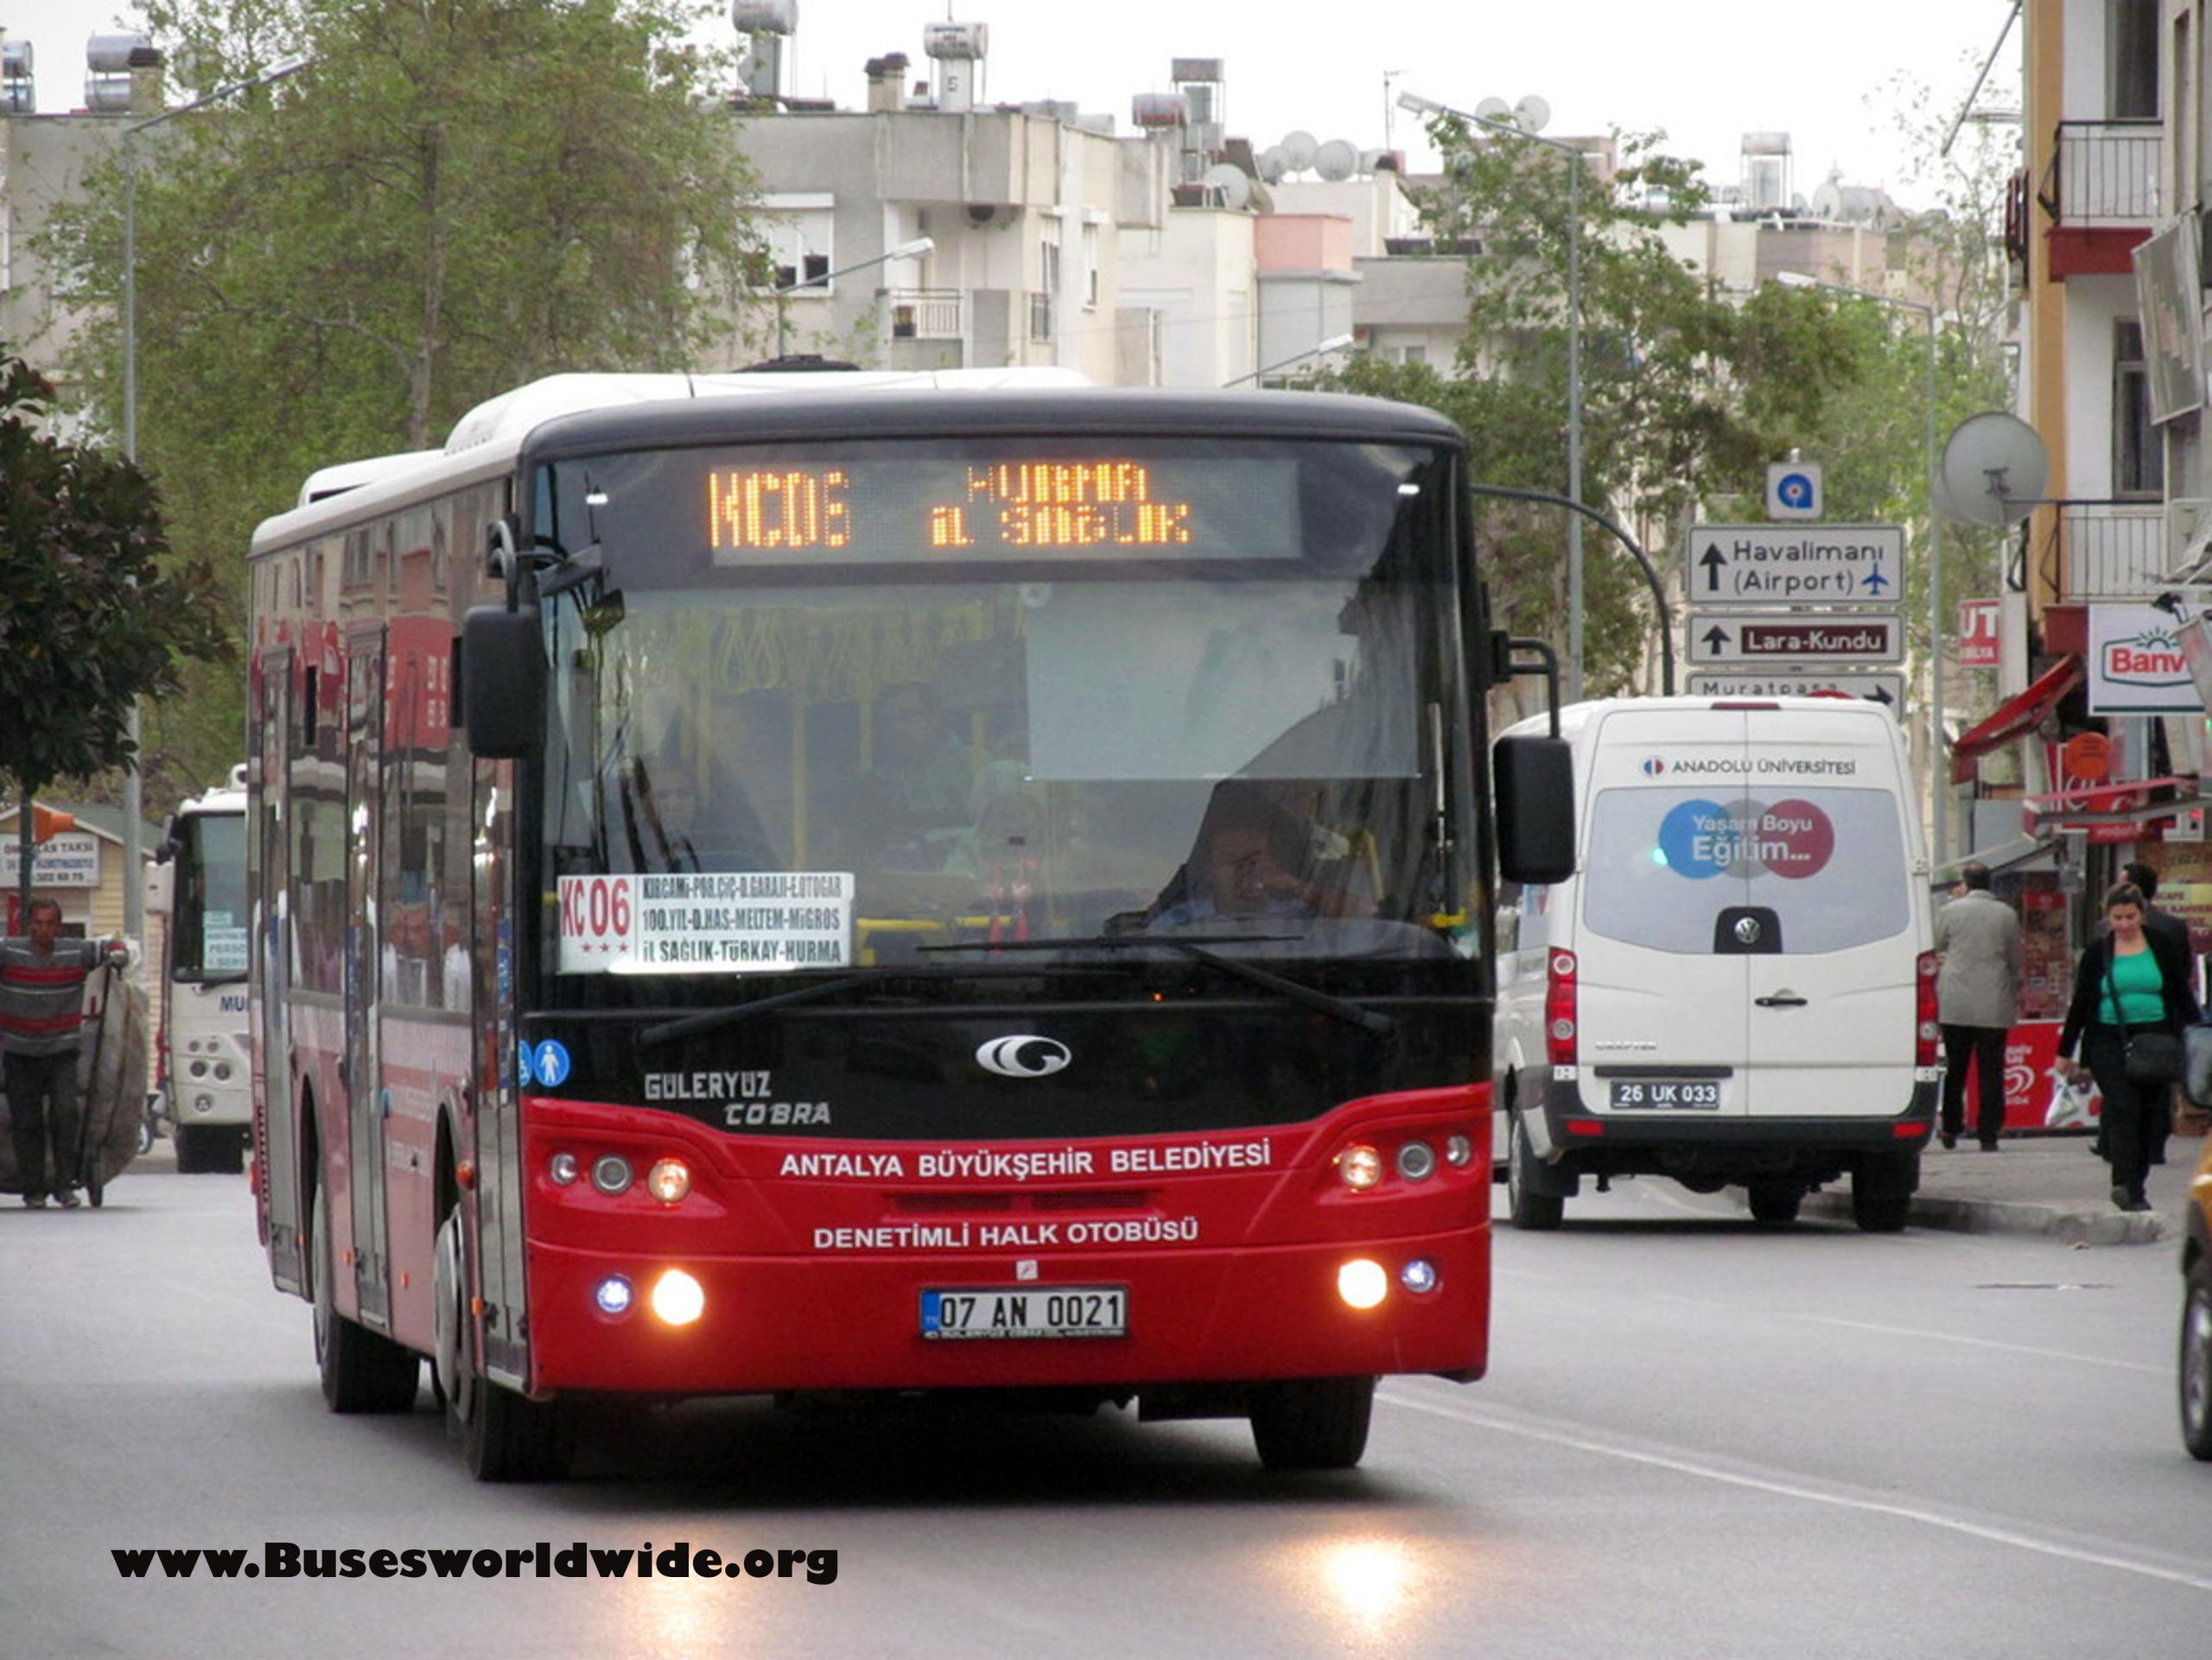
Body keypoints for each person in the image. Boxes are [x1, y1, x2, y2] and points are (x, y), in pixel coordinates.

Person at [2057, 881, 2201, 1213]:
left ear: (2142, 915)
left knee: (2150, 1115)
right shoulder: (2098, 953)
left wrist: (2198, 1033)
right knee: (2124, 1108)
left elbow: (2180, 992)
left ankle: (2138, 1181)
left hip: (2156, 1041)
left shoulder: (2161, 946)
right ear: (2107, 917)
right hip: (2109, 1041)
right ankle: (2124, 1185)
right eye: (2117, 918)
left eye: (2130, 917)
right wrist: (2065, 1051)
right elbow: (2081, 1003)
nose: (2124, 925)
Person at [1, 899, 128, 1209]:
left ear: (58, 927)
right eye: (38, 923)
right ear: (28, 926)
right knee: (26, 1121)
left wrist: (118, 953)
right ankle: (33, 1190)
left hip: (61, 1051)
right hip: (19, 1050)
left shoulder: (74, 952)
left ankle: (63, 1185)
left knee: (65, 1115)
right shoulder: (10, 952)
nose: (43, 930)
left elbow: (113, 946)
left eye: (50, 924)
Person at [1932, 862, 2022, 1152]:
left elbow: (1935, 945)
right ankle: (1989, 1132)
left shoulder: (1950, 911)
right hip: (1993, 1000)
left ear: (1966, 883)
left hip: (1955, 999)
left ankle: (1951, 1126)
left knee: (1955, 1068)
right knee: (1991, 1070)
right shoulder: (2007, 915)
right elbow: (2014, 958)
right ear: (1990, 882)